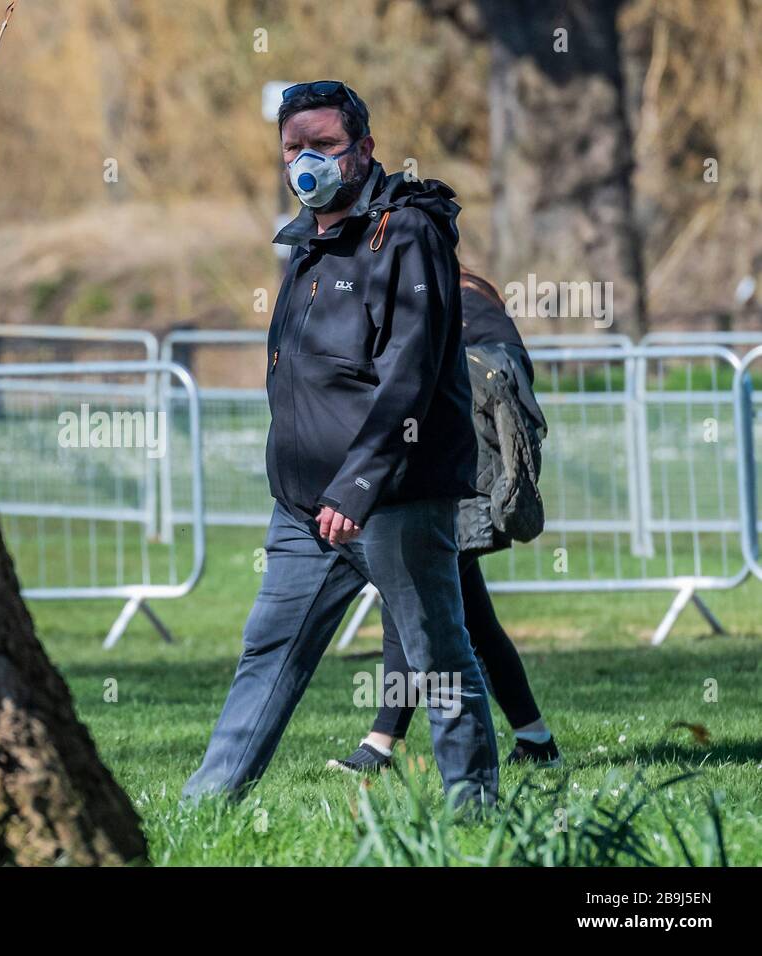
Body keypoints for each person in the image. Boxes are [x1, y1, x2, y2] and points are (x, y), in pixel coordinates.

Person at [182, 81, 498, 808]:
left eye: (323, 145)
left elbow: (408, 374)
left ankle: (474, 807)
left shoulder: (407, 234)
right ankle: (207, 803)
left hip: (392, 501)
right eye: (294, 147)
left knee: (438, 656)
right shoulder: (307, 238)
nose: (307, 160)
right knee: (268, 651)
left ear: (364, 149)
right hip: (301, 510)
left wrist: (358, 486)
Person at [328, 270, 561, 774]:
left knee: (415, 596)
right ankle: (534, 737)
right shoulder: (466, 299)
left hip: (463, 455)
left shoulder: (422, 292)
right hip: (474, 451)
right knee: (460, 610)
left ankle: (382, 745)